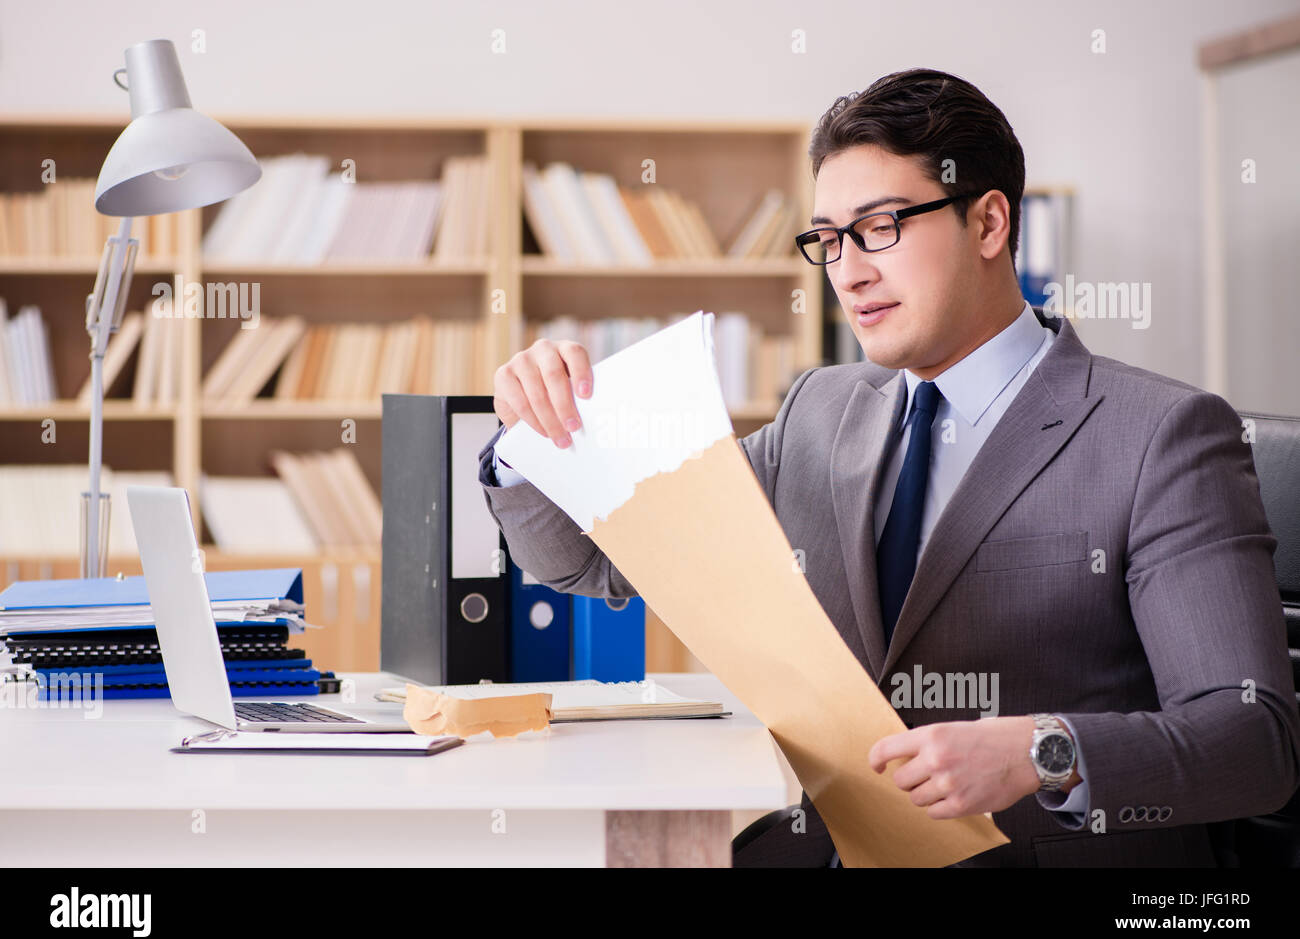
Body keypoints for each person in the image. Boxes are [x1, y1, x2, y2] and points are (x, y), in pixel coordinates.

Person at [477, 68, 1300, 867]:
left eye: (881, 227)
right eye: (829, 240)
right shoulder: (819, 413)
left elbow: (1252, 739)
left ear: (988, 224)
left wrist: (1044, 750)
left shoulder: (1161, 434)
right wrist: (536, 442)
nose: (849, 270)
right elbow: (592, 562)